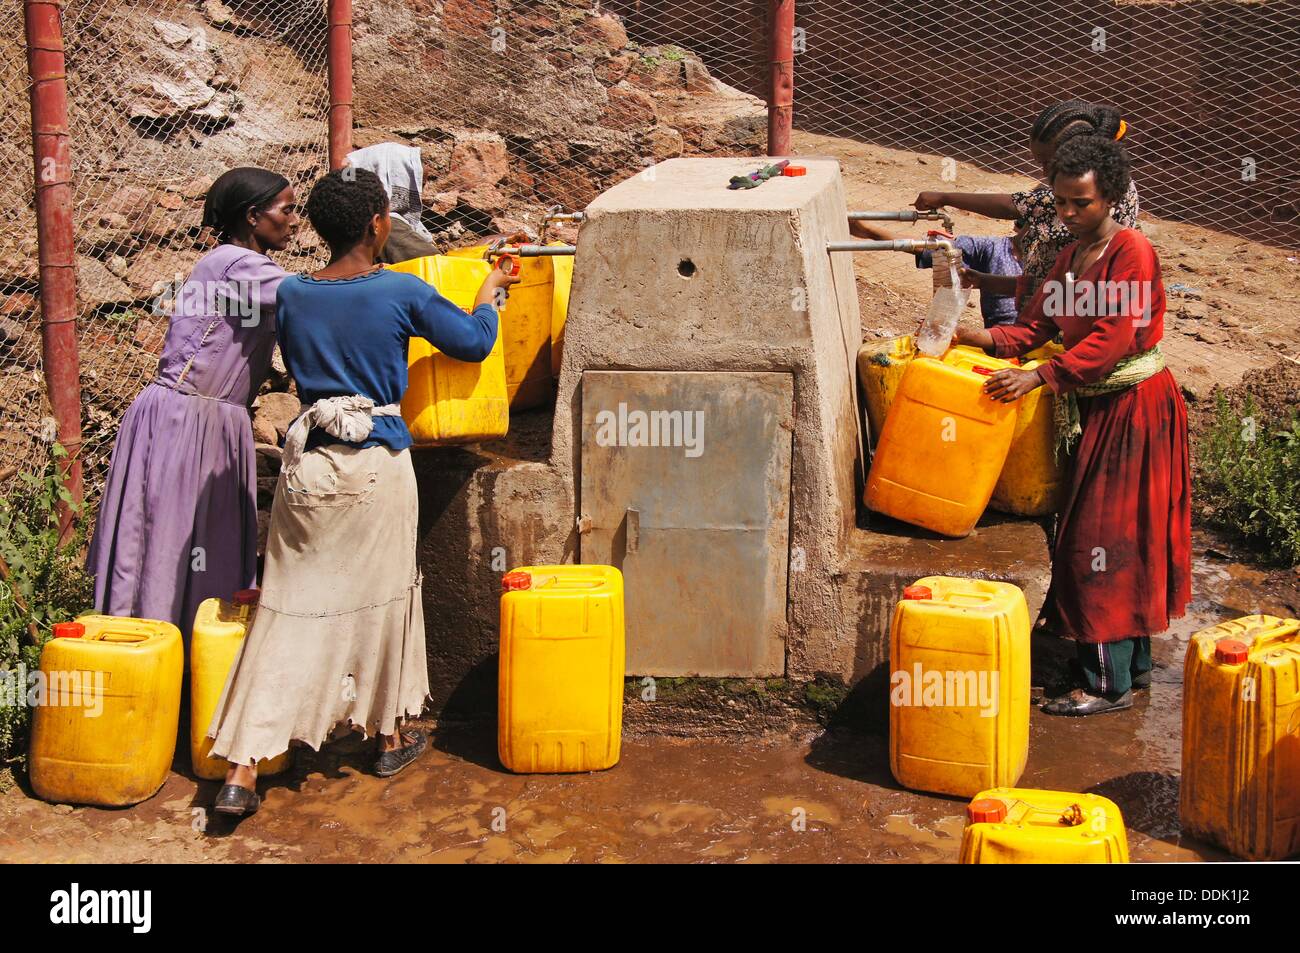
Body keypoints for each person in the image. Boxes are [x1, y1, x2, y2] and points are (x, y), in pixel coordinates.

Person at [207, 168, 516, 816]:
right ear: (378, 224)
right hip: (376, 463)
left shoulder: (291, 294)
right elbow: (473, 343)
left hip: (310, 465)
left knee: (286, 611)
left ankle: (239, 772)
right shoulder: (399, 291)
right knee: (384, 602)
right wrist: (491, 290)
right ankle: (388, 735)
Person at [954, 135, 1191, 716]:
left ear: (1109, 196)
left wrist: (1040, 379)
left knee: (1099, 539)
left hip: (1135, 408)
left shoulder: (1130, 252)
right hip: (1098, 408)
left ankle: (1103, 684)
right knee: (1116, 535)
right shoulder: (1071, 257)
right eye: (1060, 202)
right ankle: (1129, 670)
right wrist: (970, 338)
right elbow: (1034, 329)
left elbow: (1112, 338)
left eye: (1079, 203)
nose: (1066, 213)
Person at [86, 168, 298, 640]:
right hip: (187, 420)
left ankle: (187, 665)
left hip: (211, 420)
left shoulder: (250, 267)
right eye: (286, 210)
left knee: (197, 542)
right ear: (251, 215)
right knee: (168, 541)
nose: (294, 221)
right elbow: (311, 298)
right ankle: (147, 651)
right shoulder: (234, 264)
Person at [914, 101, 1139, 309]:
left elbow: (1014, 205)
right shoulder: (1115, 181)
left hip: (1060, 322)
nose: (1043, 172)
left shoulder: (1079, 201)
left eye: (1047, 163)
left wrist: (944, 198)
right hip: (1046, 302)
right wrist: (986, 281)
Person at [848, 217, 1026, 326]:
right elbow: (935, 248)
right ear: (1019, 226)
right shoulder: (995, 249)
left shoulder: (1052, 262)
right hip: (1000, 345)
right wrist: (868, 230)